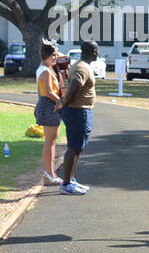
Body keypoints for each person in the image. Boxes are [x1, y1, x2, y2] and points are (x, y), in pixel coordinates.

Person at [56, 40, 100, 195]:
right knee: (73, 148)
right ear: (91, 52)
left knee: (78, 148)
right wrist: (63, 103)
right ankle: (66, 184)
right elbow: (75, 86)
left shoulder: (83, 65)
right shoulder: (82, 67)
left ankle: (71, 179)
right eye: (96, 51)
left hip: (81, 111)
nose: (98, 53)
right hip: (77, 112)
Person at [33, 42, 64, 186]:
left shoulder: (46, 68)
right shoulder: (45, 71)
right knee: (50, 140)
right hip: (48, 106)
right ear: (46, 55)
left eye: (56, 54)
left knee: (52, 140)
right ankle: (49, 173)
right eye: (53, 55)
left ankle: (50, 173)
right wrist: (60, 100)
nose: (55, 57)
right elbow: (48, 91)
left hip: (48, 105)